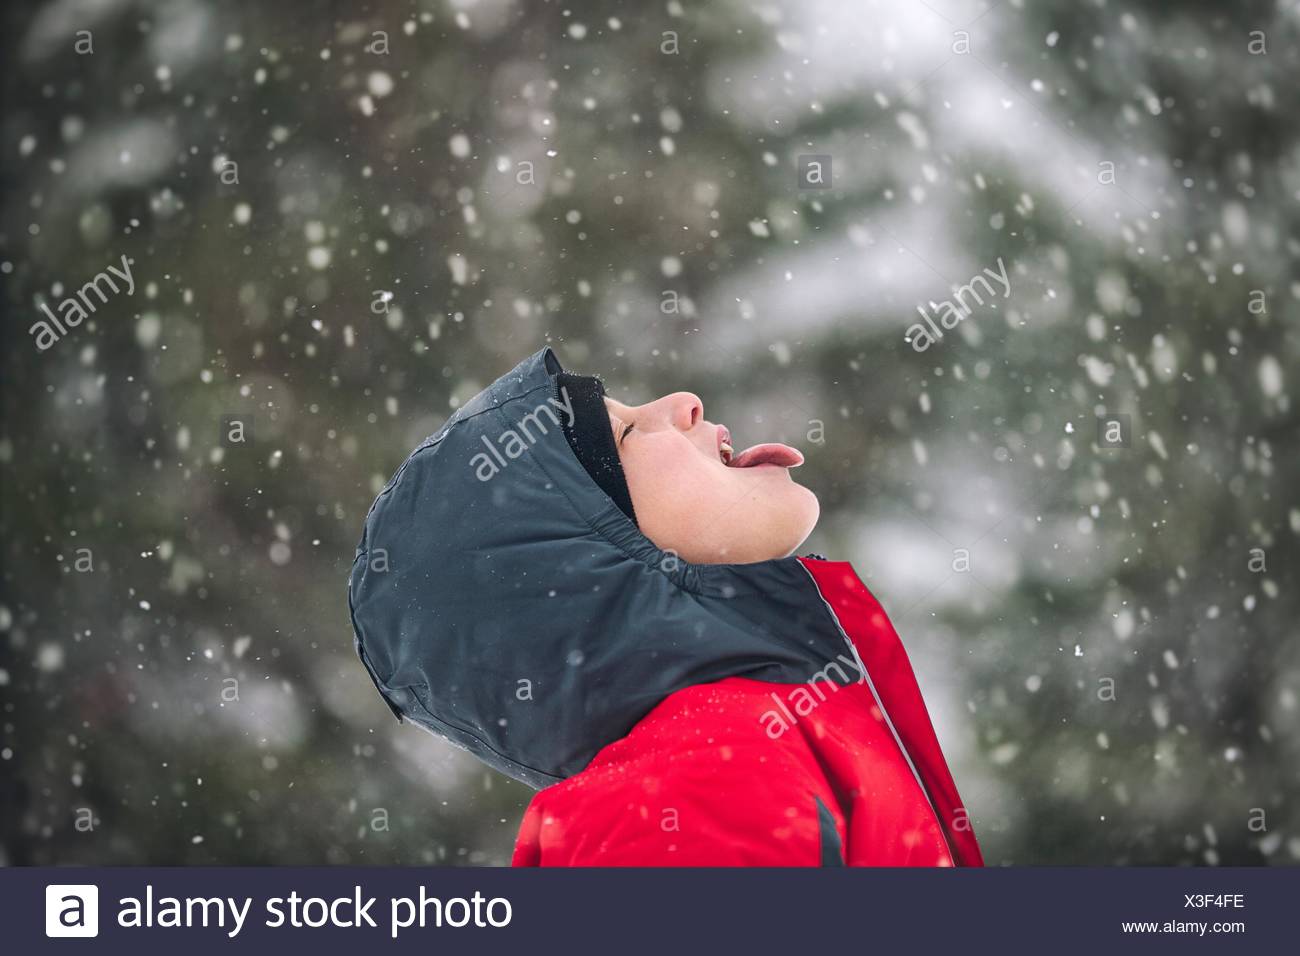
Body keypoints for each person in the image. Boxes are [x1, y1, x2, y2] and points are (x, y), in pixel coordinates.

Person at [348, 348, 985, 866]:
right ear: (582, 570)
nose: (685, 403)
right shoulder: (689, 794)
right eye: (625, 433)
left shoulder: (751, 748)